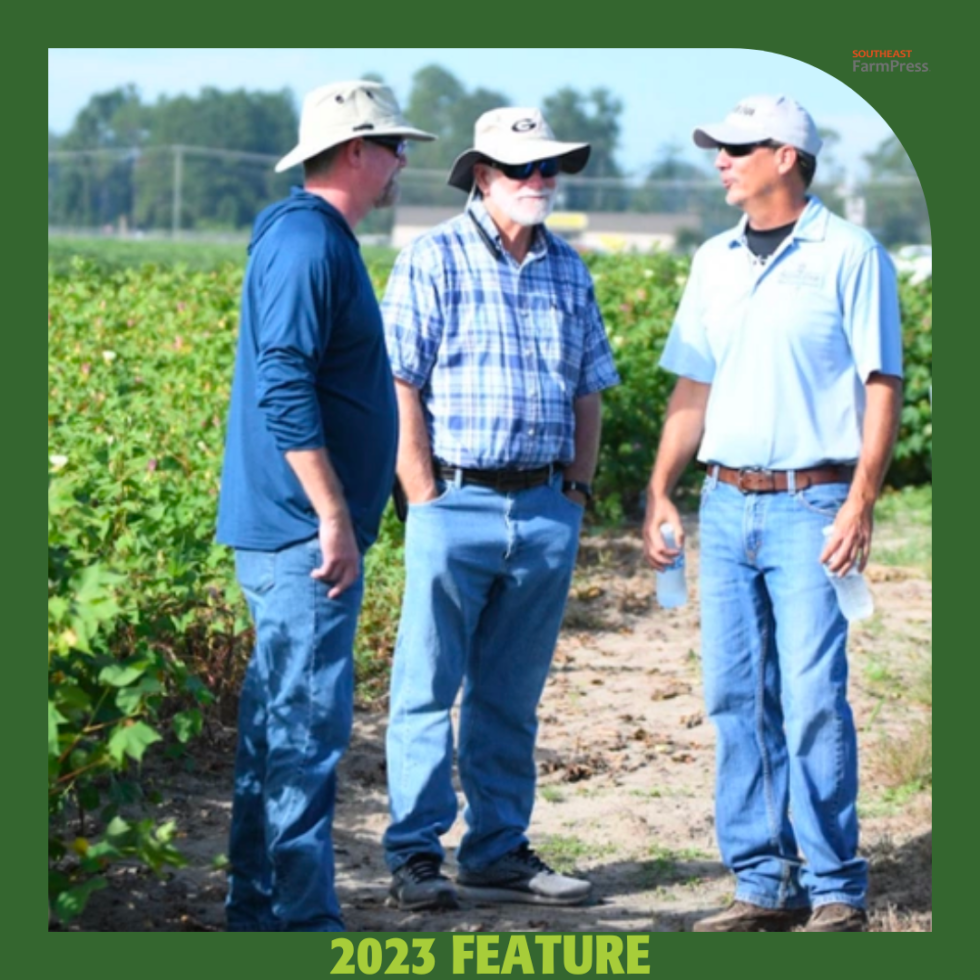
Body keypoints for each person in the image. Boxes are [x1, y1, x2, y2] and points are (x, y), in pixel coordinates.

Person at [643, 95, 903, 933]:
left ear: (787, 156)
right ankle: (762, 881)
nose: (721, 159)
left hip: (812, 503)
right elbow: (694, 386)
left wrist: (860, 500)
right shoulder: (714, 260)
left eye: (737, 148)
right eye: (717, 148)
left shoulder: (851, 254)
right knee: (733, 698)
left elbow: (881, 384)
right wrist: (659, 489)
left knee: (813, 695)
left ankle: (834, 884)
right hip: (723, 507)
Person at [381, 107, 621, 910]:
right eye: (523, 169)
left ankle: (495, 849)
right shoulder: (433, 258)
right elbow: (399, 383)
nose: (540, 181)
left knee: (510, 696)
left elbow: (590, 388)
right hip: (456, 498)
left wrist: (576, 494)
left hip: (545, 506)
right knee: (426, 685)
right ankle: (416, 854)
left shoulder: (569, 269)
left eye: (549, 168)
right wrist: (422, 493)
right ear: (482, 174)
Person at [215, 80, 435, 932]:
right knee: (303, 735)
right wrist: (335, 516)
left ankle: (259, 912)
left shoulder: (311, 238)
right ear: (353, 151)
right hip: (304, 536)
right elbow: (284, 384)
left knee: (278, 731)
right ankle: (300, 925)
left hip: (293, 531)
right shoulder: (309, 244)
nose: (401, 162)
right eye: (391, 146)